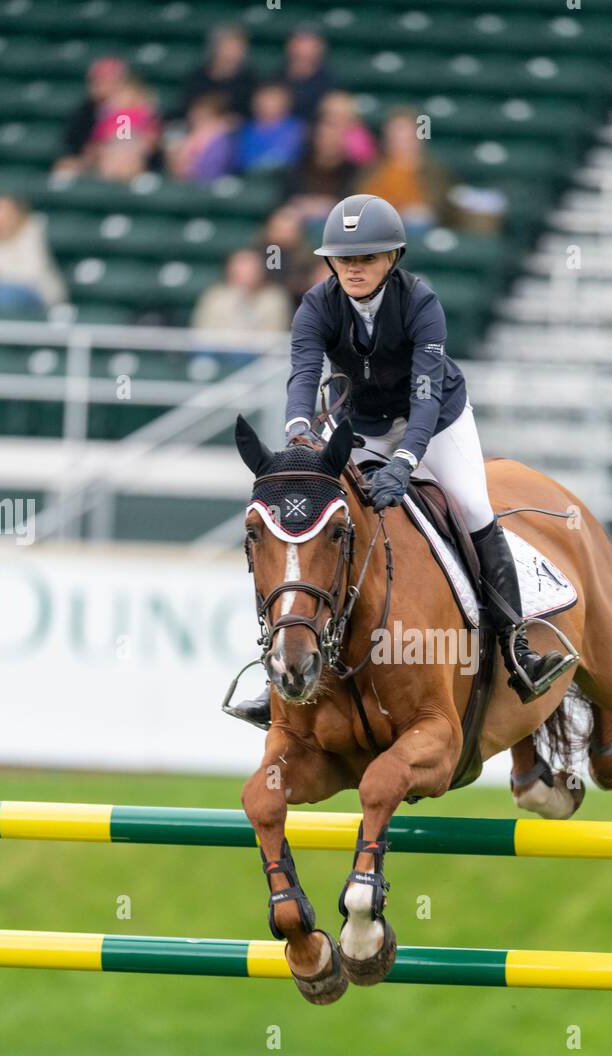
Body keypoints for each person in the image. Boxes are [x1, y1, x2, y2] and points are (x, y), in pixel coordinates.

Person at [230, 193, 573, 728]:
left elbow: (426, 395)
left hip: (436, 421)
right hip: (360, 426)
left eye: (366, 258)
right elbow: (302, 374)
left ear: (392, 258)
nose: (355, 269)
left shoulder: (420, 303)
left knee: (473, 505)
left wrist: (406, 461)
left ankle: (517, 648)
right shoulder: (317, 306)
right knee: (310, 525)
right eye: (345, 260)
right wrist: (299, 434)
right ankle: (281, 666)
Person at [359, 108, 452, 231]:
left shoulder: (435, 173)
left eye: (406, 137)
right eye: (393, 136)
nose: (399, 142)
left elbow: (442, 208)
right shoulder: (372, 170)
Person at [192, 247, 292, 344]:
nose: (248, 271)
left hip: (262, 355)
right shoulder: (214, 296)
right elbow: (202, 333)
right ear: (230, 269)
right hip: (218, 352)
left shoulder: (275, 297)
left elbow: (274, 336)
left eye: (253, 266)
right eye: (241, 265)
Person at [0, 195, 66, 314]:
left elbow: (30, 276)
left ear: (17, 215)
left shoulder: (33, 232)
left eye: (5, 216)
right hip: (2, 295)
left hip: (41, 296)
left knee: (5, 293)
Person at [55, 56, 129, 172]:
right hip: (90, 163)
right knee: (66, 168)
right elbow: (72, 146)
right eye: (95, 80)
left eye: (105, 80)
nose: (98, 84)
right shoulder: (84, 111)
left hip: (119, 162)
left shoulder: (127, 111)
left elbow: (123, 145)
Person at [283, 120, 358, 223]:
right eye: (323, 137)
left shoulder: (353, 170)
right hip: (300, 216)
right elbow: (290, 196)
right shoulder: (300, 164)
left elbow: (351, 201)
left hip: (337, 219)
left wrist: (325, 206)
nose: (328, 142)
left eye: (333, 138)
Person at [177, 24, 255, 121]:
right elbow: (185, 107)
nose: (234, 52)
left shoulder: (249, 80)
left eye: (239, 47)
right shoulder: (198, 75)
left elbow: (249, 114)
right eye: (229, 46)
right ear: (216, 47)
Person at [166, 93, 238, 183]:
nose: (195, 117)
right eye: (195, 113)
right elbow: (175, 168)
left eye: (203, 116)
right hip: (184, 183)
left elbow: (213, 170)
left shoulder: (222, 140)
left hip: (210, 186)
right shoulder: (187, 134)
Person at [238, 84, 306, 172]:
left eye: (272, 102)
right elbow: (240, 160)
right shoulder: (247, 129)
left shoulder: (296, 129)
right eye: (262, 102)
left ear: (285, 105)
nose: (266, 107)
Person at [279, 26, 335, 122]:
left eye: (310, 45)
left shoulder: (330, 82)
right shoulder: (276, 77)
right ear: (289, 46)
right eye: (299, 42)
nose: (302, 50)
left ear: (321, 48)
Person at [261, 207, 315, 306]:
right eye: (280, 229)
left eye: (290, 229)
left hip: (299, 302)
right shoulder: (270, 251)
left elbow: (309, 281)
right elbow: (273, 279)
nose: (285, 233)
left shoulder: (305, 255)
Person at [318, 91, 379, 166]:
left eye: (340, 115)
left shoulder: (358, 138)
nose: (334, 119)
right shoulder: (315, 132)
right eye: (329, 113)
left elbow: (368, 165)